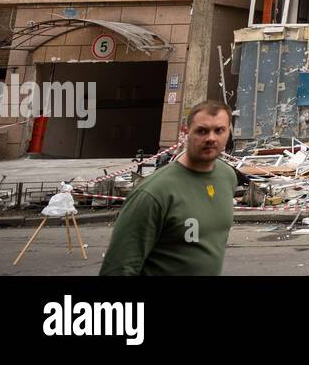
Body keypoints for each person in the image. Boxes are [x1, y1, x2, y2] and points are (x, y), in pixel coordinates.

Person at [99, 100, 236, 276]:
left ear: (228, 132)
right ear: (186, 133)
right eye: (202, 131)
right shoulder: (153, 193)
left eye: (219, 130)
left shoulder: (227, 177)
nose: (211, 138)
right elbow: (117, 270)